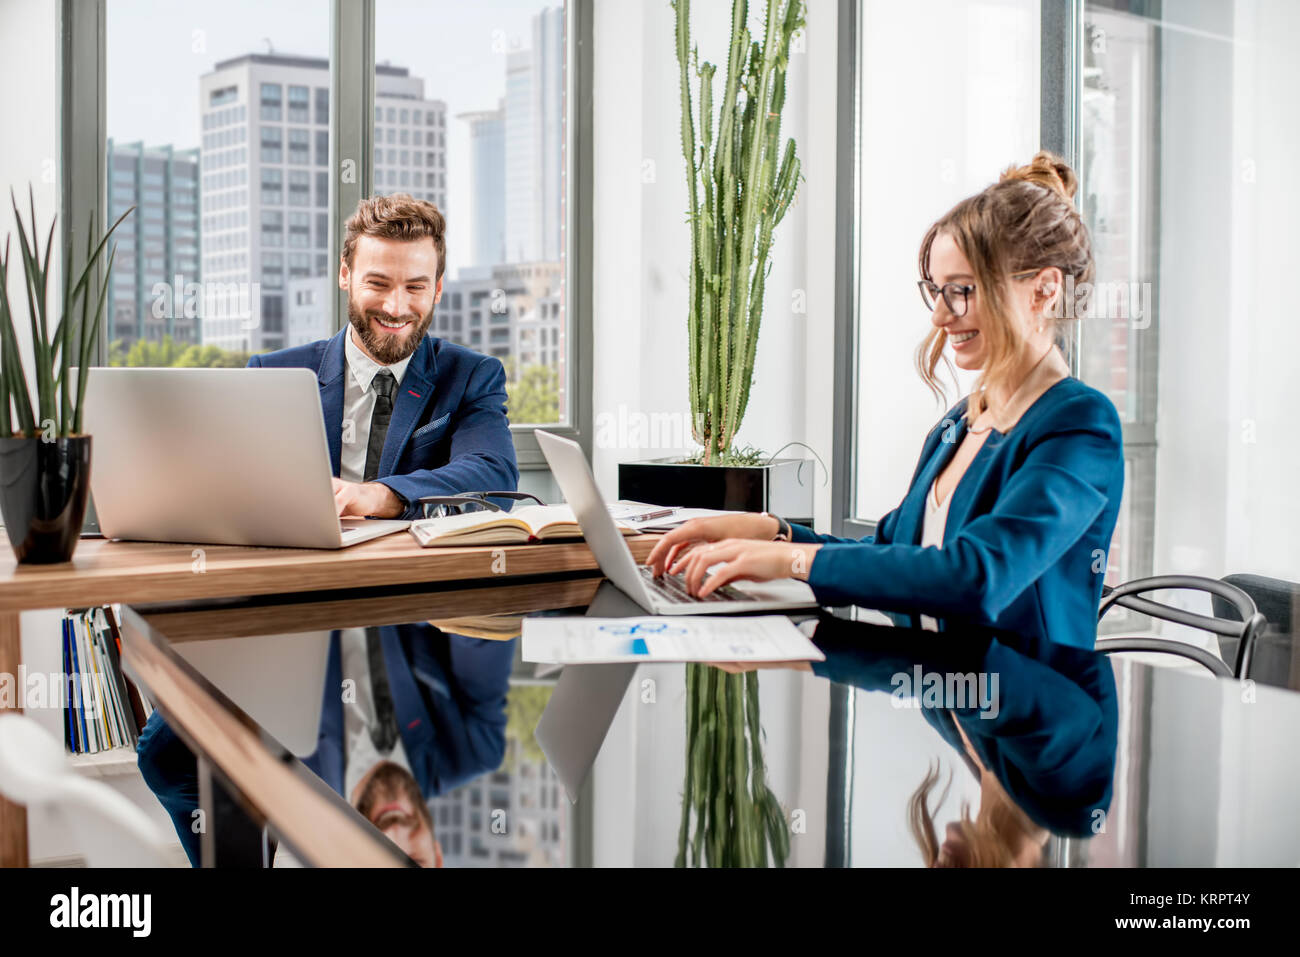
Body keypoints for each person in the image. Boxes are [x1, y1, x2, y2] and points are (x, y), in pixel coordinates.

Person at [647, 152, 1124, 652]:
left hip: (1032, 721)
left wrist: (790, 564)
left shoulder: (1080, 425)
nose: (940, 316)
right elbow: (892, 554)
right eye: (936, 291)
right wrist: (773, 532)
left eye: (962, 291)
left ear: (1045, 290)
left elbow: (977, 577)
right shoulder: (959, 424)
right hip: (958, 716)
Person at [250, 191, 518, 519]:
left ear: (437, 289)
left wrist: (380, 497)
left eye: (415, 287)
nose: (395, 307)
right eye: (378, 284)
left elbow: (492, 475)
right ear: (345, 275)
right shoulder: (273, 373)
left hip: (415, 566)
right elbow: (236, 480)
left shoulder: (471, 375)